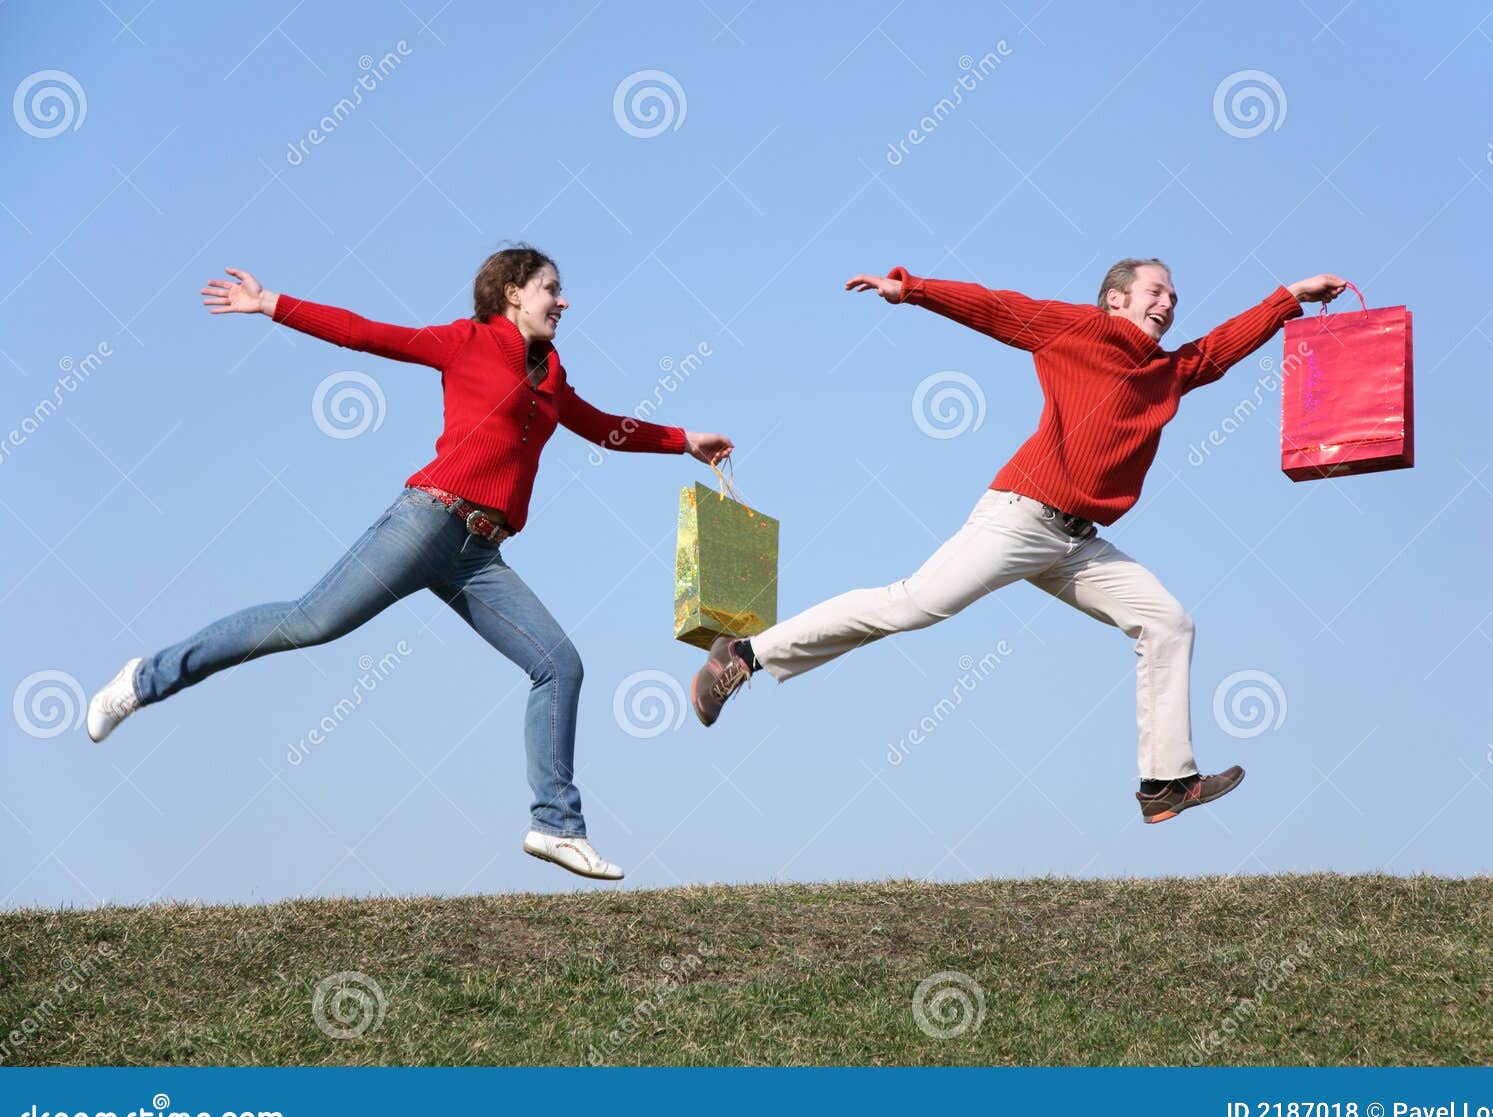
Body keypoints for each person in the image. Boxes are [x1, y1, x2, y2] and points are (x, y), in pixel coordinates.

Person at [85, 245, 733, 879]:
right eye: (550, 289)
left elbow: (601, 426)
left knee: (559, 664)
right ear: (512, 293)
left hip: (479, 555)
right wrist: (269, 303)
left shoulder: (553, 378)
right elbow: (365, 334)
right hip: (427, 522)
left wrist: (683, 442)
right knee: (309, 622)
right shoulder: (467, 342)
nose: (562, 301)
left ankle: (557, 826)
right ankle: (144, 679)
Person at [690, 258, 1345, 824]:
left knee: (1167, 622)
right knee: (911, 604)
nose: (1169, 304)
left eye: (1174, 297)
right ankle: (741, 655)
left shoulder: (1169, 372)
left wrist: (1290, 297)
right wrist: (913, 289)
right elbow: (998, 309)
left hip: (1076, 543)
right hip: (1021, 516)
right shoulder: (1078, 328)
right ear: (1115, 300)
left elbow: (1222, 346)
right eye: (1156, 292)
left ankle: (1164, 782)